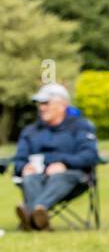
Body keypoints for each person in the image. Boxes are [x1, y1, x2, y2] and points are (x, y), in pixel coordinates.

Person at [13, 84, 99, 231]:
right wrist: (24, 167)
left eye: (46, 103)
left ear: (62, 105)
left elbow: (90, 155)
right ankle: (40, 220)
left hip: (72, 179)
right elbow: (19, 158)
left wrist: (64, 164)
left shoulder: (80, 126)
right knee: (29, 177)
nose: (41, 108)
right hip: (36, 178)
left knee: (60, 176)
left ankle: (30, 212)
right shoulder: (30, 131)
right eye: (39, 104)